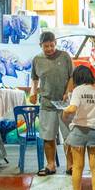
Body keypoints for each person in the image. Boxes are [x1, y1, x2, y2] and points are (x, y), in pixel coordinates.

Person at [29, 31, 70, 176]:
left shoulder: (65, 56)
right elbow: (34, 79)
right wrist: (33, 93)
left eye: (52, 45)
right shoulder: (37, 60)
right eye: (46, 46)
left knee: (69, 137)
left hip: (65, 104)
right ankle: (51, 165)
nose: (49, 49)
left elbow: (72, 76)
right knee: (48, 136)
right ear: (41, 45)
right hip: (46, 103)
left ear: (55, 43)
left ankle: (70, 165)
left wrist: (67, 92)